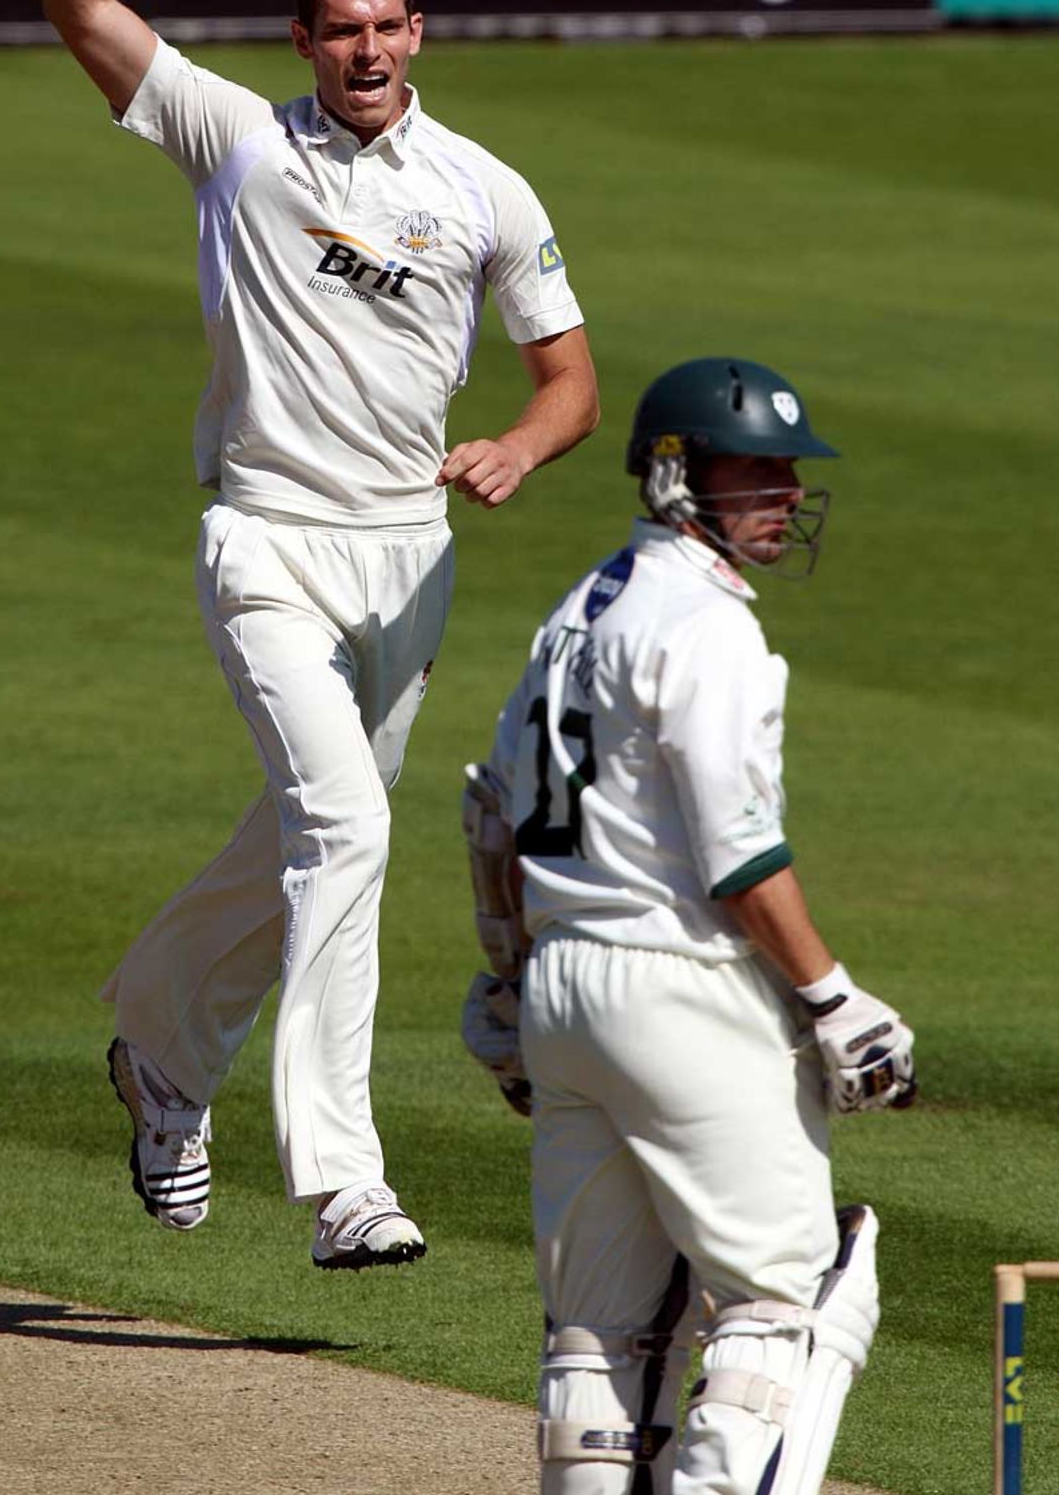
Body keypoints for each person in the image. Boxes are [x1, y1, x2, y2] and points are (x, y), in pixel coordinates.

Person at [39, 0, 599, 1269]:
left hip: (409, 562)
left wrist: (521, 446)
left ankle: (160, 1053)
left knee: (301, 840)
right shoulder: (235, 142)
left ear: (419, 32)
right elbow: (83, 5)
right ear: (302, 39)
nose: (366, 52)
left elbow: (570, 377)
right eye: (340, 30)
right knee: (346, 830)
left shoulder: (484, 190)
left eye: (387, 27)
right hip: (268, 541)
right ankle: (345, 1180)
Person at [460, 357, 915, 1492]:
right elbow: (739, 860)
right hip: (680, 988)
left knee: (600, 1333)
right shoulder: (707, 627)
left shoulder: (579, 609)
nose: (784, 493)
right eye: (755, 470)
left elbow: (490, 813)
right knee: (792, 1304)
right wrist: (834, 1000)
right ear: (676, 475)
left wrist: (510, 982)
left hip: (566, 995)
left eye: (788, 471)